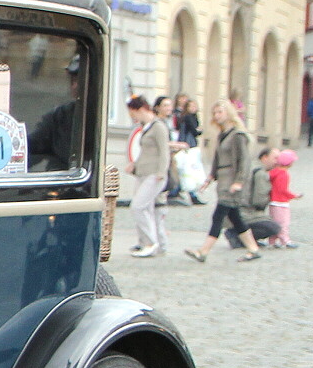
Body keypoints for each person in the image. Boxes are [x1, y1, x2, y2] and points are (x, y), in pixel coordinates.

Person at [185, 99, 264, 263]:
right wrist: (210, 177)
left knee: (218, 216)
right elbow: (218, 158)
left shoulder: (238, 135)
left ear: (229, 113)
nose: (217, 115)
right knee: (235, 217)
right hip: (223, 180)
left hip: (232, 182)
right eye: (214, 113)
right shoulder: (222, 135)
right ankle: (253, 248)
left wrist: (239, 181)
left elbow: (244, 161)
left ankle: (203, 251)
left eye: (220, 112)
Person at [125, 96, 169, 257]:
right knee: (147, 209)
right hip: (143, 173)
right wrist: (135, 165)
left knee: (138, 206)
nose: (133, 118)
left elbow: (164, 151)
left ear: (141, 110)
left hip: (154, 174)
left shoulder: (158, 127)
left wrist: (161, 172)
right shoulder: (146, 127)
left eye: (133, 114)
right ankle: (150, 243)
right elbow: (146, 152)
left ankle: (150, 242)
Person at [264, 146, 300, 247]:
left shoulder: (274, 172)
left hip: (273, 201)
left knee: (275, 222)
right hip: (281, 202)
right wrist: (294, 196)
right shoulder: (283, 174)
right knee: (283, 222)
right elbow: (283, 190)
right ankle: (285, 241)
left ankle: (272, 241)